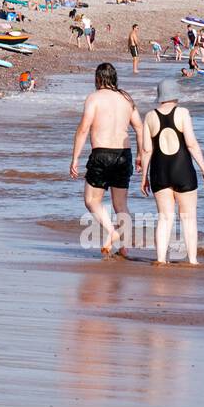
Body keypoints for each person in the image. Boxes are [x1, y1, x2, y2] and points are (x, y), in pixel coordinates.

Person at [69, 62, 143, 259]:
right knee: (121, 205)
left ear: (98, 79)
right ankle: (123, 246)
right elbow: (139, 127)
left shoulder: (94, 98)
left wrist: (75, 158)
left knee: (91, 200)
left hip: (101, 154)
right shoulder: (127, 98)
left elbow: (84, 129)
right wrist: (140, 154)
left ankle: (112, 232)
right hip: (123, 154)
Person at [140, 78, 204, 265]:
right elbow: (191, 144)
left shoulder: (149, 116)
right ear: (176, 95)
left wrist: (144, 177)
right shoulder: (182, 113)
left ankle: (161, 259)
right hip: (183, 171)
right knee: (188, 217)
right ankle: (193, 260)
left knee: (164, 217)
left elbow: (146, 150)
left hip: (159, 172)